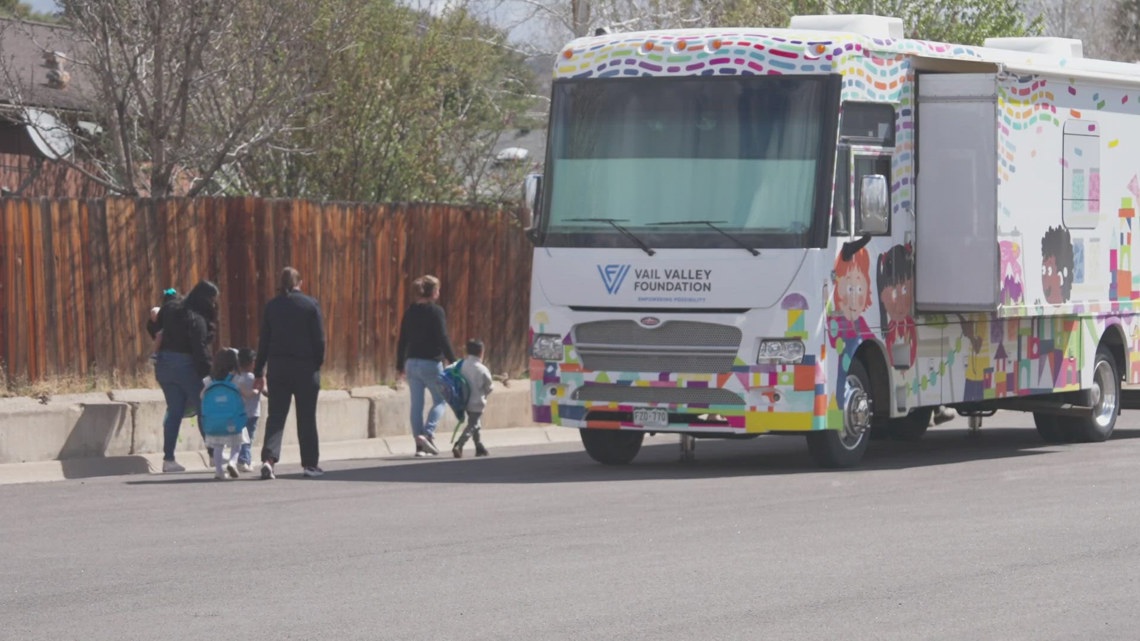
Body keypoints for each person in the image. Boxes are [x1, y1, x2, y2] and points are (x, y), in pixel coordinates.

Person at [254, 267, 326, 479]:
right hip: (305, 367)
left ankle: (269, 459)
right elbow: (319, 339)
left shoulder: (272, 307)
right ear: (300, 283)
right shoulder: (310, 305)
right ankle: (310, 464)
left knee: (276, 415)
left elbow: (264, 341)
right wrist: (317, 363)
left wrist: (259, 370)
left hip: (278, 368)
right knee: (306, 417)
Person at [154, 280, 219, 473]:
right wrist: (208, 375)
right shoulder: (196, 319)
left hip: (164, 365)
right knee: (203, 409)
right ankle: (213, 454)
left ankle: (169, 459)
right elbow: (200, 350)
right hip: (186, 366)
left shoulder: (171, 308)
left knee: (174, 411)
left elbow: (156, 326)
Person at [396, 274, 456, 457]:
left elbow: (402, 340)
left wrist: (400, 365)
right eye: (437, 289)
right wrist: (452, 359)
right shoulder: (436, 311)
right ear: (432, 292)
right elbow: (442, 336)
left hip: (412, 362)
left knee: (417, 404)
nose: (439, 292)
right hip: (431, 362)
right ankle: (428, 434)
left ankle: (419, 446)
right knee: (441, 399)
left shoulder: (410, 311)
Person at [200, 348, 252, 480]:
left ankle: (219, 471)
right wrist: (256, 391)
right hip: (233, 420)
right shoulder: (235, 379)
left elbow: (202, 396)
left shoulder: (209, 380)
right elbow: (246, 394)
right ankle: (232, 462)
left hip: (215, 421)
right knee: (237, 443)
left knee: (218, 446)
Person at [452, 339, 493, 458]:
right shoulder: (482, 369)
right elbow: (489, 387)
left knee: (475, 423)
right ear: (481, 352)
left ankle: (479, 447)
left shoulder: (462, 365)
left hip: (464, 400)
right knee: (473, 425)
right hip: (477, 402)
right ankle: (459, 444)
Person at [234, 348, 262, 472]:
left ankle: (243, 459)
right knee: (248, 438)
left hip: (238, 412)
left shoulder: (235, 378)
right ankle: (244, 460)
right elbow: (255, 392)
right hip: (252, 413)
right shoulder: (252, 378)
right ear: (252, 363)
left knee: (241, 437)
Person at [146, 288, 180, 356]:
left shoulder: (166, 313)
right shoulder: (150, 324)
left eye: (155, 316)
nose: (154, 318)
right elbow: (156, 337)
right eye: (152, 316)